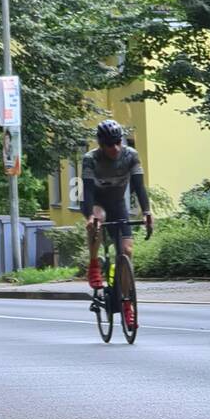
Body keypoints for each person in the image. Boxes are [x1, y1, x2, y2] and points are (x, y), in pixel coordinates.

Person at [82, 120, 153, 327]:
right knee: (98, 218)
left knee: (127, 250)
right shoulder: (90, 159)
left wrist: (147, 211)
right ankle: (94, 263)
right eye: (109, 145)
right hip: (96, 202)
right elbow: (87, 192)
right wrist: (90, 217)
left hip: (117, 203)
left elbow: (139, 187)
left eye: (117, 143)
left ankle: (126, 305)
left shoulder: (130, 155)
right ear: (100, 144)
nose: (115, 148)